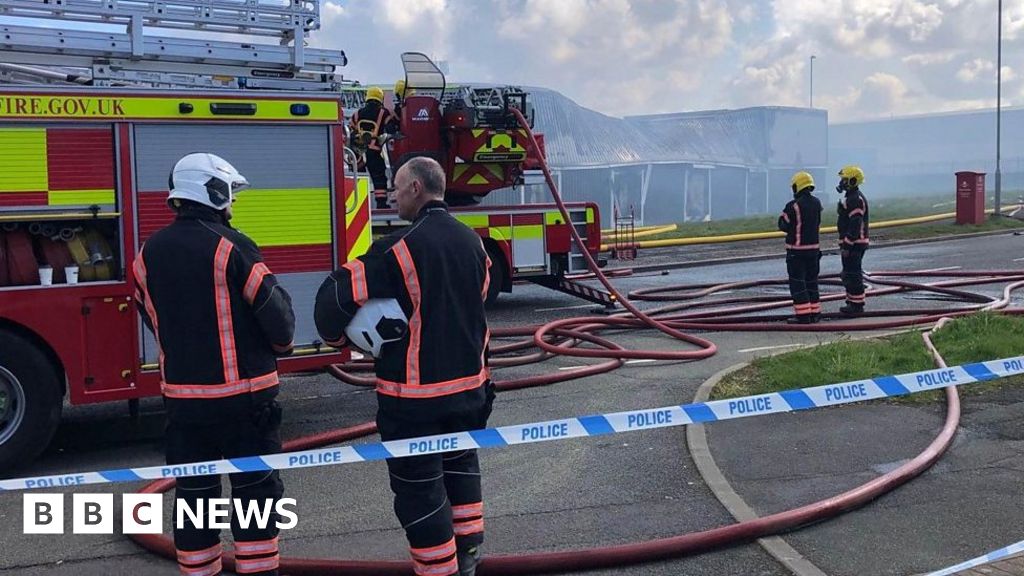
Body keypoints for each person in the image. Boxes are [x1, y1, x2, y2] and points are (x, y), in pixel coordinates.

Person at [314, 156, 494, 576]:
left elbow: (333, 298)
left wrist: (344, 341)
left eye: (395, 188)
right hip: (471, 392)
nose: (391, 196)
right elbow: (476, 302)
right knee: (462, 466)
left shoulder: (396, 249)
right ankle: (468, 554)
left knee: (418, 488)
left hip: (414, 401)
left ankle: (437, 570)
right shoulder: (474, 244)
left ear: (416, 188)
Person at [133, 152, 295, 576]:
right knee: (256, 500)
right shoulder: (232, 246)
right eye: (229, 195)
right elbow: (277, 319)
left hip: (184, 406)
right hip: (246, 404)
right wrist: (280, 344)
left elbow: (152, 318)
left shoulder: (146, 254)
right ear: (213, 191)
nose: (232, 205)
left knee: (195, 500)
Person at [778, 171, 823, 324]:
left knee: (798, 283)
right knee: (812, 282)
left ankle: (803, 316)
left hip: (796, 252)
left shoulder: (793, 206)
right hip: (814, 251)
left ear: (797, 186)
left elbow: (783, 225)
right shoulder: (817, 203)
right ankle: (815, 313)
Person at [350, 86, 400, 209]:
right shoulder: (383, 113)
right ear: (380, 99)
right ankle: (381, 204)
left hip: (357, 152)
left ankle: (359, 204)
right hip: (373, 152)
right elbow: (390, 128)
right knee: (378, 177)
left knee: (359, 178)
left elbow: (351, 130)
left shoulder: (357, 114)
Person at [836, 165, 870, 315]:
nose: (842, 182)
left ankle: (856, 306)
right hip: (854, 243)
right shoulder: (852, 197)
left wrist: (847, 245)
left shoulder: (855, 199)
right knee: (848, 273)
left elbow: (855, 224)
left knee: (853, 274)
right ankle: (852, 302)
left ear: (853, 180)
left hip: (855, 244)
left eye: (844, 179)